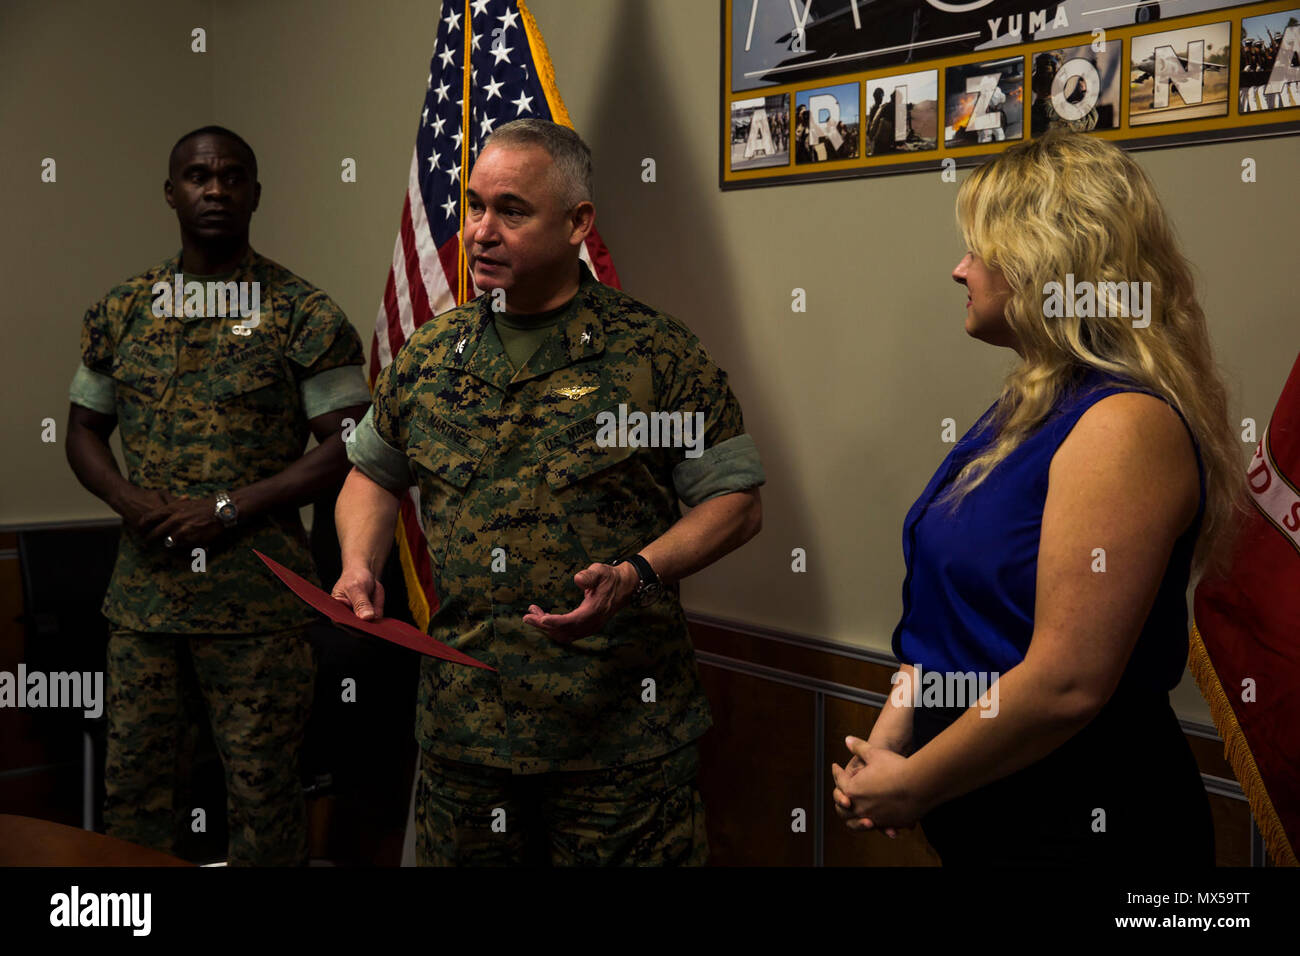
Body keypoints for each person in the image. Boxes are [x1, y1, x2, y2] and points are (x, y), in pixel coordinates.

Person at [332, 118, 764, 866]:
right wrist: (359, 563)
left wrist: (636, 573)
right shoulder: (431, 355)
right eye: (473, 207)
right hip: (467, 736)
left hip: (618, 741)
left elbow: (736, 503)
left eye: (511, 210)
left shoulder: (653, 355)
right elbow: (371, 473)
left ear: (577, 224)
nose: (481, 232)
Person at [831, 130, 1244, 866]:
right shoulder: (1030, 405)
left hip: (1085, 816)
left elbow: (1067, 682)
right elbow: (951, 610)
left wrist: (914, 784)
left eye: (980, 252)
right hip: (986, 801)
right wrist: (899, 728)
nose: (960, 270)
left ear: (1048, 263)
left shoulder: (1123, 423)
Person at [65, 126, 371, 865]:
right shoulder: (123, 310)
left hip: (258, 606)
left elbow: (354, 441)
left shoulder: (303, 312)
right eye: (198, 176)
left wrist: (231, 506)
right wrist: (129, 500)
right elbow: (81, 430)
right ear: (171, 192)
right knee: (135, 795)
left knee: (263, 796)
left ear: (255, 195)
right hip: (146, 603)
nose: (215, 189)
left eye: (233, 176)